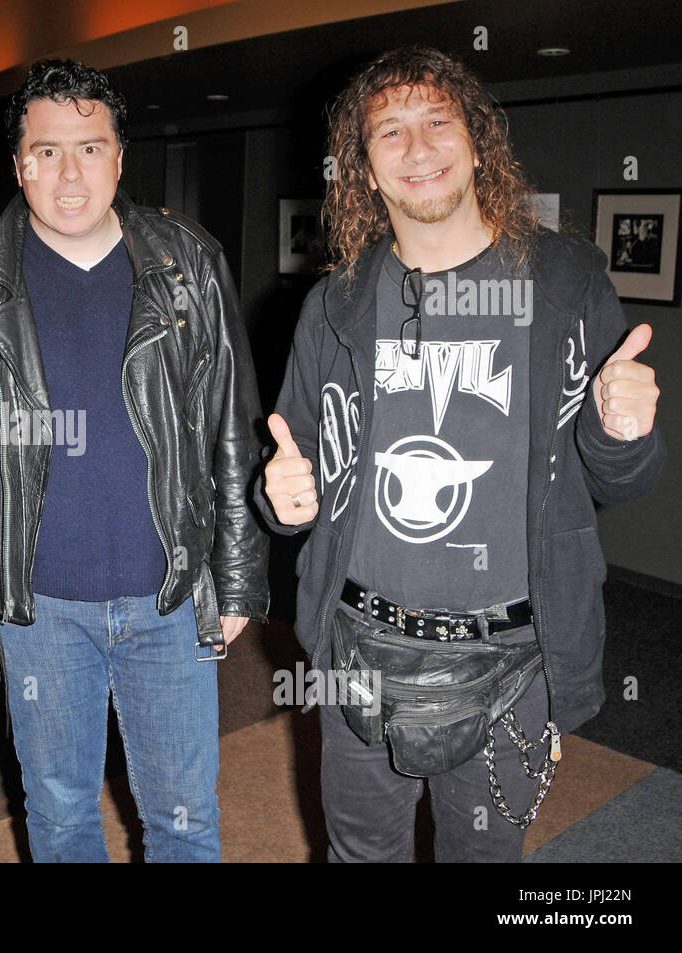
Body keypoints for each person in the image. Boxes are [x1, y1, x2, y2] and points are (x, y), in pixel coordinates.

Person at [256, 46, 663, 862]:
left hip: (514, 658)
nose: (418, 147)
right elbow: (292, 468)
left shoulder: (564, 282)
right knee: (357, 854)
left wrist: (622, 433)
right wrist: (281, 499)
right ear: (365, 169)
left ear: (477, 142)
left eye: (438, 120)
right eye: (390, 130)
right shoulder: (335, 305)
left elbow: (617, 479)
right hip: (359, 646)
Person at [0, 59, 268, 862]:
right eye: (47, 151)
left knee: (186, 820)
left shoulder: (188, 260)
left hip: (171, 596)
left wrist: (237, 579)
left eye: (90, 148)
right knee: (60, 818)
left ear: (120, 159)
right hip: (37, 607)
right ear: (18, 164)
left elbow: (232, 429)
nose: (70, 173)